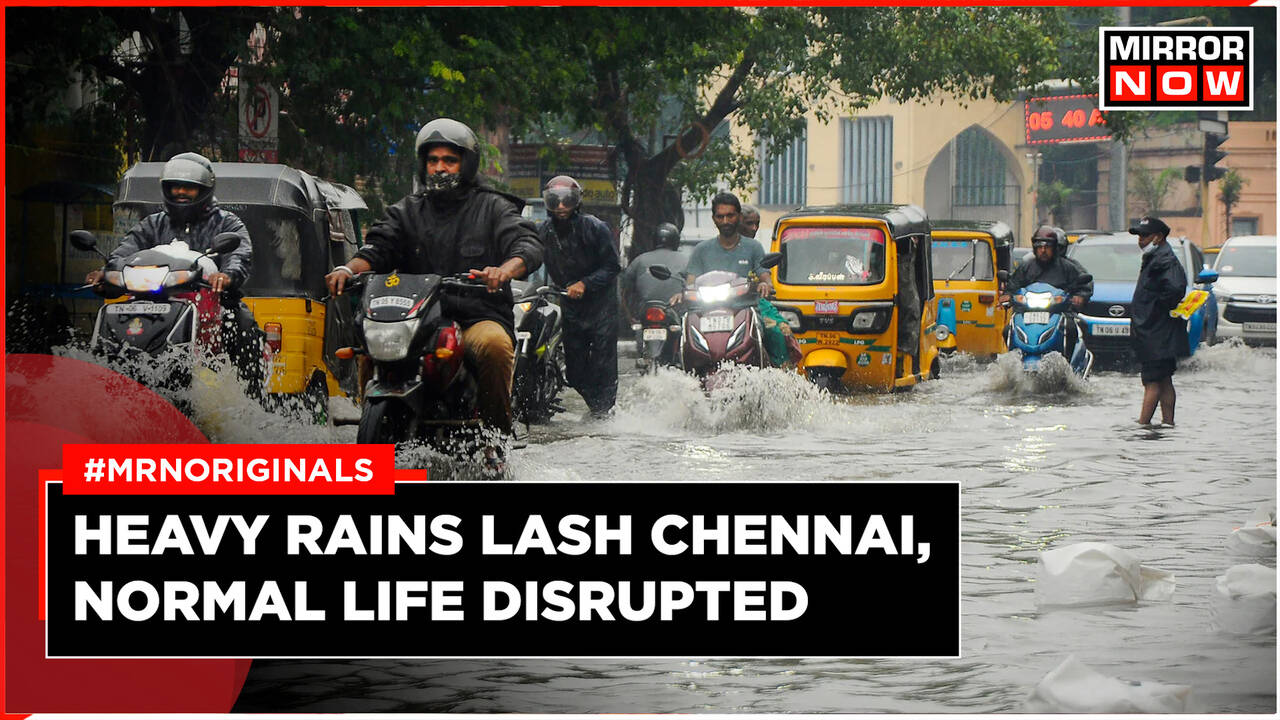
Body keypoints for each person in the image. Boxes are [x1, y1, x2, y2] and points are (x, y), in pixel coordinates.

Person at [325, 118, 542, 446]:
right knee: (372, 348)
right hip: (415, 321)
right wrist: (348, 269)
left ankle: (497, 439)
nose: (440, 168)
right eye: (433, 160)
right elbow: (377, 247)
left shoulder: (493, 207)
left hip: (475, 317)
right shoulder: (406, 211)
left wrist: (505, 270)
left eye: (449, 160)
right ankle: (370, 413)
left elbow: (526, 244)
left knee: (496, 347)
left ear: (466, 164)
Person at [86, 151, 263, 396]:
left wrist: (227, 275)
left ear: (204, 190)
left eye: (188, 188)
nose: (181, 192)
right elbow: (125, 252)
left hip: (210, 303)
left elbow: (240, 254)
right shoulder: (153, 224)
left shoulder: (227, 223)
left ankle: (250, 397)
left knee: (243, 323)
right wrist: (107, 274)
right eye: (175, 187)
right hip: (149, 302)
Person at [537, 175, 621, 419]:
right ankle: (597, 407)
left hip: (601, 307)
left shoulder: (595, 227)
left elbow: (613, 266)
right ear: (548, 203)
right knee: (574, 371)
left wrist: (585, 283)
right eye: (555, 201)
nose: (561, 207)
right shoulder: (543, 231)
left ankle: (604, 413)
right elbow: (528, 256)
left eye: (567, 201)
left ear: (576, 202)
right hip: (571, 307)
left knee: (604, 363)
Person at [685, 192, 791, 365]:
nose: (725, 221)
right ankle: (678, 373)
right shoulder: (701, 250)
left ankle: (782, 374)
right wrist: (682, 292)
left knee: (776, 331)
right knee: (680, 333)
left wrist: (765, 284)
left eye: (730, 216)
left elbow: (764, 275)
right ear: (713, 219)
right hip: (706, 311)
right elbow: (690, 282)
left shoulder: (753, 247)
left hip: (744, 308)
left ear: (738, 216)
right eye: (720, 216)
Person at [1128, 216, 1188, 426]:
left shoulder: (1164, 260)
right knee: (1163, 379)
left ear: (1159, 237)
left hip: (1156, 332)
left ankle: (1143, 426)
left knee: (1152, 382)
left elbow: (1175, 289)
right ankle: (1168, 424)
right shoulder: (1156, 258)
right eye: (1139, 236)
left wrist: (1156, 311)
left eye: (1145, 236)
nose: (1140, 241)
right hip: (1154, 331)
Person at [1000, 225, 1093, 359]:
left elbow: (1083, 284)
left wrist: (1080, 296)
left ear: (1054, 248)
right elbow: (1013, 285)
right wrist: (1007, 295)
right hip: (1028, 312)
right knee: (1008, 329)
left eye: (1047, 247)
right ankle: (1014, 360)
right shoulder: (1026, 267)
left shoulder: (1067, 267)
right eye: (1039, 247)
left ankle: (1068, 362)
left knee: (1071, 329)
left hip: (1058, 312)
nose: (1043, 251)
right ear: (1034, 248)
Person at [619, 221, 688, 322]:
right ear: (676, 241)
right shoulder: (685, 260)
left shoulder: (640, 260)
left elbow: (624, 289)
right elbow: (693, 285)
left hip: (644, 313)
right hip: (676, 313)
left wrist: (630, 317)